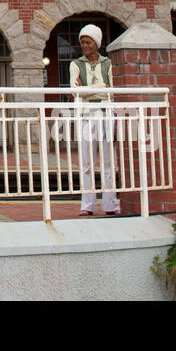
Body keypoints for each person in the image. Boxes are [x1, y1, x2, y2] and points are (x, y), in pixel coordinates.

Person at [69, 23, 119, 216]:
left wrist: (86, 90)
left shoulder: (108, 64)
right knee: (86, 163)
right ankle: (87, 205)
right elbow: (75, 92)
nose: (85, 45)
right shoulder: (76, 64)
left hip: (105, 115)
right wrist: (101, 88)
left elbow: (112, 90)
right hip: (86, 116)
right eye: (82, 42)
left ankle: (110, 204)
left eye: (88, 42)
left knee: (108, 161)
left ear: (97, 43)